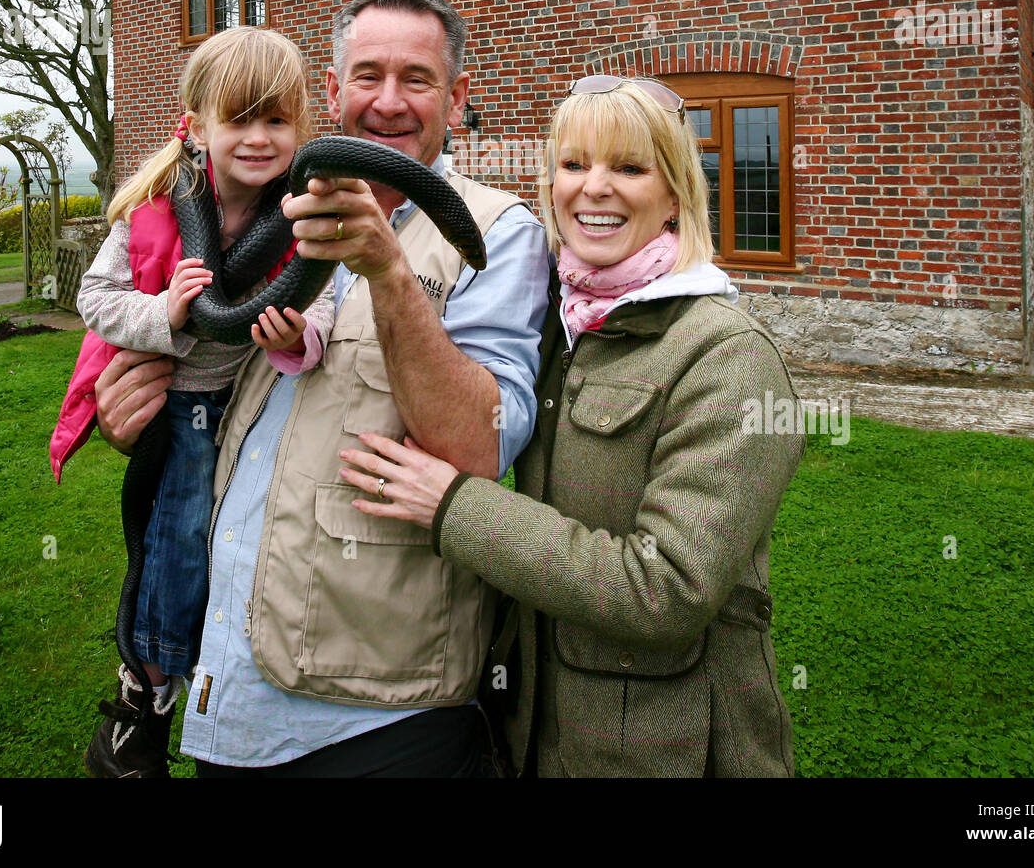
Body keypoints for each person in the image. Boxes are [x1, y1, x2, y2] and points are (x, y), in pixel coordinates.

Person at [92, 0, 551, 777]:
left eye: (418, 79)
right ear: (334, 93)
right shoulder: (264, 209)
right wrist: (130, 406)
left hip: (378, 716)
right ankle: (145, 694)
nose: (390, 102)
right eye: (368, 76)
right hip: (229, 687)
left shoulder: (499, 232)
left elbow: (479, 445)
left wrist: (388, 271)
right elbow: (194, 354)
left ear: (458, 96)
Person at [342, 75, 805, 777]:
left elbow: (667, 589)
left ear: (676, 193)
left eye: (628, 167)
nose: (594, 188)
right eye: (573, 164)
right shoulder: (564, 325)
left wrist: (455, 508)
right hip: (535, 737)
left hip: (665, 753)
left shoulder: (727, 358)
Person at [50, 26, 335, 778]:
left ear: (300, 129)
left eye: (276, 121)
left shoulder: (301, 215)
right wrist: (167, 315)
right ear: (198, 122)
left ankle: (222, 677)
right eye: (238, 120)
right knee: (175, 540)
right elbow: (94, 298)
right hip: (175, 404)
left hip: (246, 400)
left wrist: (297, 333)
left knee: (238, 546)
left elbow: (326, 301)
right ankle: (144, 696)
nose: (258, 138)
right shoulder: (157, 206)